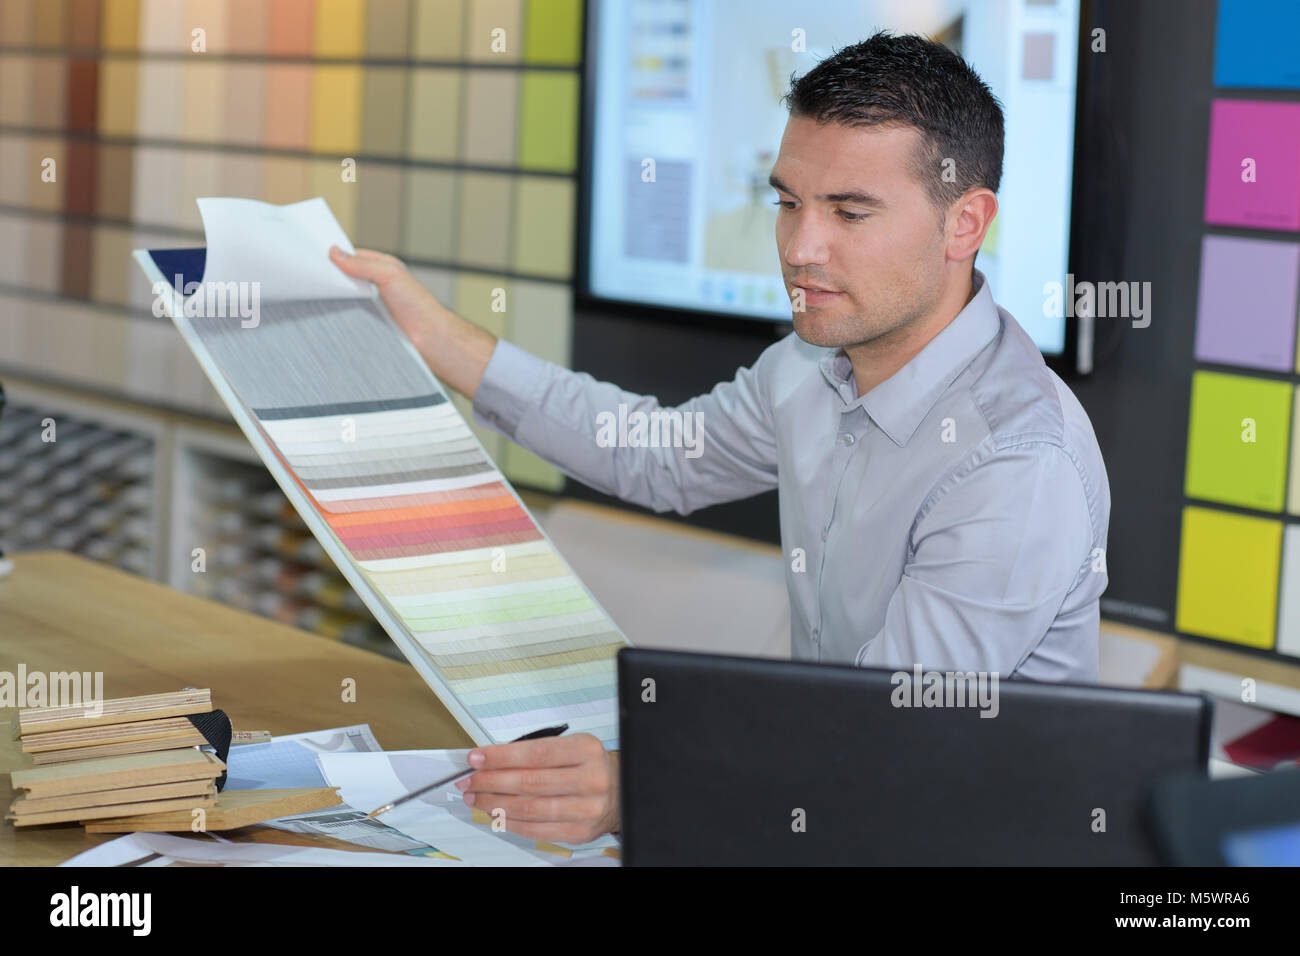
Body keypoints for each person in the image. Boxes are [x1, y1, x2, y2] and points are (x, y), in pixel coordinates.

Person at [329, 31, 1111, 845]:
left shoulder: (1017, 462)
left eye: (849, 211)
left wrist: (642, 786)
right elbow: (655, 453)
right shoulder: (811, 365)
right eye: (787, 202)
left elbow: (889, 730)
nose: (801, 250)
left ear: (964, 223)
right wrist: (436, 340)